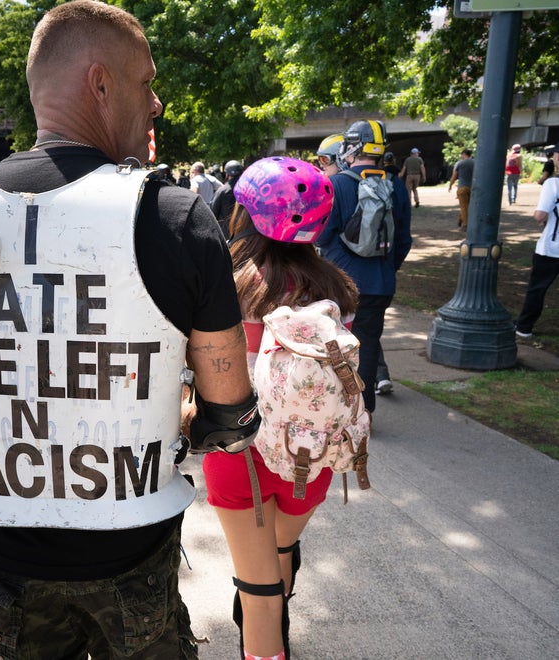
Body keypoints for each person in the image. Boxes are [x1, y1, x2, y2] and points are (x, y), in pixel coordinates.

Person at [0, 2, 256, 656]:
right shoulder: (177, 216)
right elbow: (229, 416)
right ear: (101, 84)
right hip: (133, 561)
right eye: (146, 82)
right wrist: (180, 415)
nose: (157, 103)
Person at [217, 157, 359, 660]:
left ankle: (265, 636)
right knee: (280, 552)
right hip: (310, 455)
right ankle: (281, 608)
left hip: (240, 455)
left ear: (246, 213)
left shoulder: (229, 284)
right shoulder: (337, 290)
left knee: (257, 590)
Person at [317, 120, 412, 414]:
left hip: (339, 282)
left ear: (352, 147)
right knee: (367, 347)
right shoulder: (396, 186)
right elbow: (403, 240)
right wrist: (386, 268)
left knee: (333, 348)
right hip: (380, 284)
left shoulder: (337, 184)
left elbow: (322, 235)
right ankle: (364, 411)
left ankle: (336, 410)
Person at [515, 148, 559, 339]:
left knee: (538, 288)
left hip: (552, 247)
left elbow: (540, 216)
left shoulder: (553, 184)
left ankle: (524, 327)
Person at [211, 160, 244, 239]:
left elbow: (213, 212)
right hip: (242, 230)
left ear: (227, 174)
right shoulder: (247, 190)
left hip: (225, 232)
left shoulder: (222, 190)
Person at [447, 149, 475, 229]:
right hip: (473, 187)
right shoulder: (475, 162)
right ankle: (460, 219)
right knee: (468, 206)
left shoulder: (459, 163)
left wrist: (450, 185)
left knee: (463, 207)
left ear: (464, 154)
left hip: (462, 187)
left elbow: (454, 176)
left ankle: (465, 224)